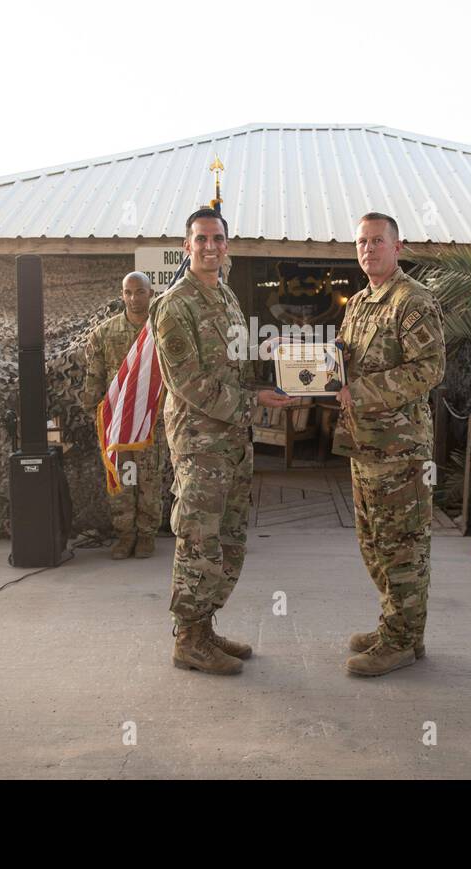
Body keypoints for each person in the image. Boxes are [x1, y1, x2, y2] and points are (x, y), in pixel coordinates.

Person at [150, 208, 294, 675]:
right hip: (199, 445)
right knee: (198, 538)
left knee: (228, 538)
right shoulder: (175, 305)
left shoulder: (226, 297)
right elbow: (189, 383)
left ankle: (205, 627)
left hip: (233, 441)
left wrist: (269, 355)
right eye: (201, 239)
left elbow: (234, 360)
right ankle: (188, 638)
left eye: (217, 239)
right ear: (187, 245)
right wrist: (257, 401)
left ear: (226, 245)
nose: (210, 247)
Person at [333, 212, 445, 677]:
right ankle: (399, 628)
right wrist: (305, 360)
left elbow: (429, 368)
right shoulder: (359, 303)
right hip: (364, 446)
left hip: (400, 451)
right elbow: (344, 357)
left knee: (403, 546)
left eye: (377, 241)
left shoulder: (411, 301)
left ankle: (400, 641)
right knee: (375, 544)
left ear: (397, 247)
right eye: (361, 242)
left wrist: (359, 392)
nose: (368, 249)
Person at [82, 271, 166, 559]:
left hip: (152, 421)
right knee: (122, 477)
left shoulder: (162, 331)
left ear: (150, 293)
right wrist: (92, 407)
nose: (133, 298)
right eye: (128, 292)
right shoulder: (105, 333)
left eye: (140, 292)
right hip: (118, 422)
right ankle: (125, 535)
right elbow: (94, 374)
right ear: (122, 295)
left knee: (149, 480)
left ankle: (146, 536)